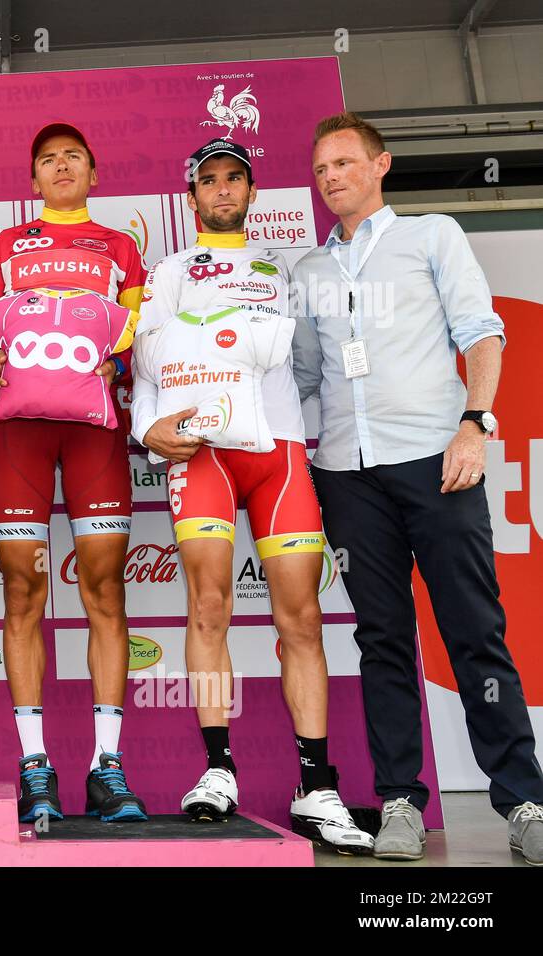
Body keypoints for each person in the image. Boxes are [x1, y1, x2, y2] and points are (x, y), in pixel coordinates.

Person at [292, 111, 543, 864]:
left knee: (474, 633)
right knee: (383, 643)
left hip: (438, 461)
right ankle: (400, 801)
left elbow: (482, 333)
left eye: (344, 162)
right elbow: (305, 379)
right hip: (344, 474)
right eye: (321, 168)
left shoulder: (432, 236)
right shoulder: (308, 273)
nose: (331, 177)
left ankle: (524, 800)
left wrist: (476, 424)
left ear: (381, 164)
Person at [132, 138, 372, 853]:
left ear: (253, 191)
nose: (224, 190)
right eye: (210, 180)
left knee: (301, 616)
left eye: (235, 178)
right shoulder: (170, 272)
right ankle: (217, 770)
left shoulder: (285, 270)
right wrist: (149, 430)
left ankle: (315, 784)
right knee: (208, 605)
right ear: (192, 196)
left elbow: (311, 367)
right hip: (202, 453)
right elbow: (146, 363)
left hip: (279, 453)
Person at [0, 122, 149, 823]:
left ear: (93, 173)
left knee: (105, 588)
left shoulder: (119, 246)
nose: (60, 166)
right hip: (20, 430)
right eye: (46, 159)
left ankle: (108, 767)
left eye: (72, 156)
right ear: (33, 180)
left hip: (93, 432)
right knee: (23, 590)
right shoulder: (7, 246)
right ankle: (34, 766)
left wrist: (118, 360)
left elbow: (137, 329)